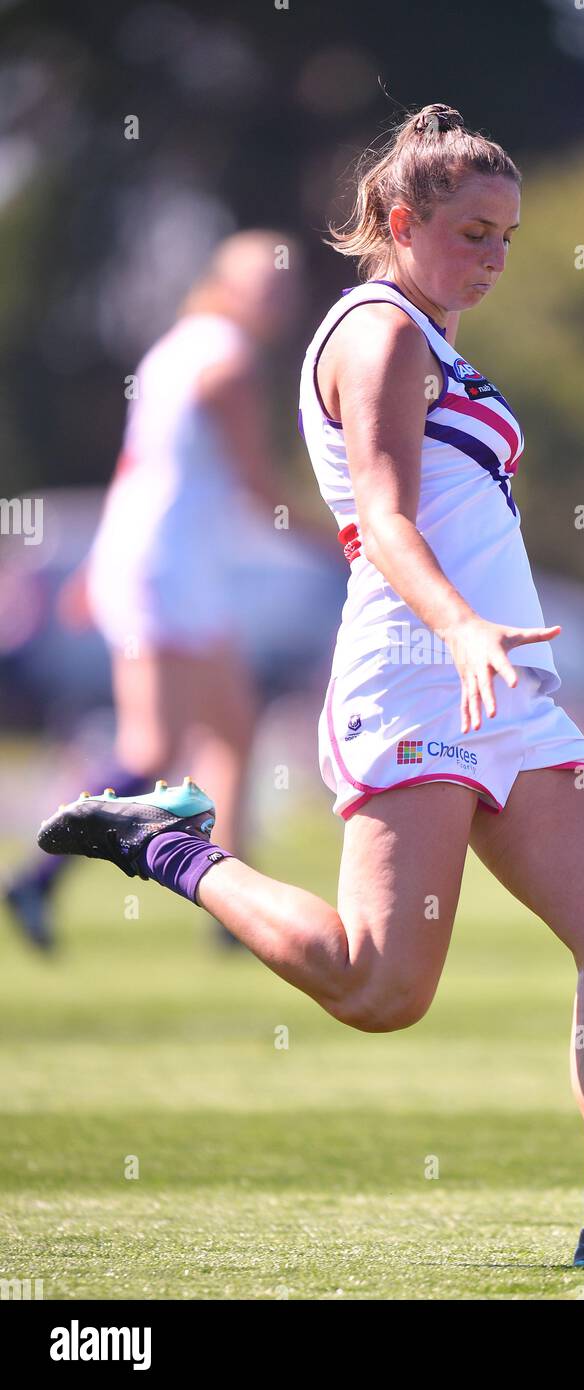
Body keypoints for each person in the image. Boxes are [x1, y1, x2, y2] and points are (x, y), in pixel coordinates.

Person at [36, 105, 584, 1270]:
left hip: (503, 687)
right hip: (417, 677)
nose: (496, 258)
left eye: (510, 237)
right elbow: (383, 518)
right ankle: (167, 846)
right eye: (474, 231)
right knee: (378, 988)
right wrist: (463, 625)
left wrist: (489, 642)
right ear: (399, 221)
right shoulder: (378, 330)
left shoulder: (436, 336)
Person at [8, 230, 302, 950]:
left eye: (282, 286)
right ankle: (34, 878)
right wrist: (353, 541)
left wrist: (100, 562)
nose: (277, 299)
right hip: (170, 573)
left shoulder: (176, 347)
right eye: (263, 285)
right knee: (152, 745)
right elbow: (261, 488)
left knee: (232, 728)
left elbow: (136, 464)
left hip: (163, 566)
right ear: (226, 286)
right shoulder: (227, 363)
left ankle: (234, 906)